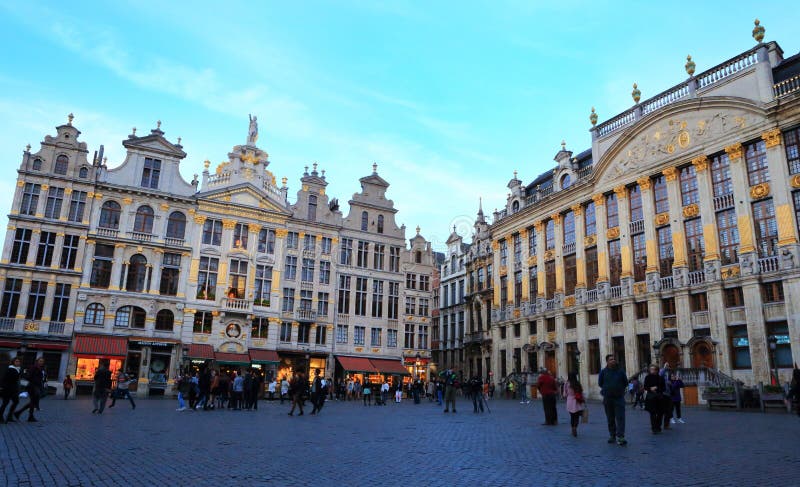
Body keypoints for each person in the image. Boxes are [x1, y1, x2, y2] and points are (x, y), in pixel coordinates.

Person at [598, 355, 628, 446]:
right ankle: (612, 435)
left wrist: (619, 389)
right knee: (610, 418)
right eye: (611, 359)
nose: (613, 361)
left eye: (614, 359)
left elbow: (625, 382)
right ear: (607, 362)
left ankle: (621, 436)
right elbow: (600, 383)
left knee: (620, 418)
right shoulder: (603, 372)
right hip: (608, 398)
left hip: (619, 398)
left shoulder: (620, 371)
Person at [15, 357, 45, 422]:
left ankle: (19, 413)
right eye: (40, 361)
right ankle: (28, 416)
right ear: (37, 361)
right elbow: (28, 377)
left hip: (36, 386)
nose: (41, 362)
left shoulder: (40, 368)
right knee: (33, 402)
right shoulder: (34, 367)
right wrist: (35, 381)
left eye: (42, 361)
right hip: (32, 387)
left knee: (33, 402)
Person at [644, 364, 666, 434]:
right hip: (651, 397)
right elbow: (645, 387)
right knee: (652, 413)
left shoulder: (661, 378)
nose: (652, 371)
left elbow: (664, 388)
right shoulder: (647, 377)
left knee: (660, 413)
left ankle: (658, 426)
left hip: (659, 397)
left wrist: (657, 388)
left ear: (657, 370)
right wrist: (650, 388)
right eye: (651, 369)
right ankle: (654, 428)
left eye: (654, 369)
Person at [562, 372, 586, 437]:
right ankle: (575, 427)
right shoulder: (577, 383)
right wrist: (583, 399)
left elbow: (564, 394)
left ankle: (573, 428)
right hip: (577, 401)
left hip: (570, 400)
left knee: (572, 416)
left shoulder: (566, 384)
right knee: (577, 416)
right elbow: (581, 392)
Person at [0, 357, 22, 423]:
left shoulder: (17, 369)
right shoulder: (11, 369)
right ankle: (1, 417)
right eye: (16, 361)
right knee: (5, 403)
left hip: (13, 389)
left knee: (16, 401)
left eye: (18, 361)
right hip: (7, 389)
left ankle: (9, 416)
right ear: (13, 362)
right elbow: (6, 379)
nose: (18, 363)